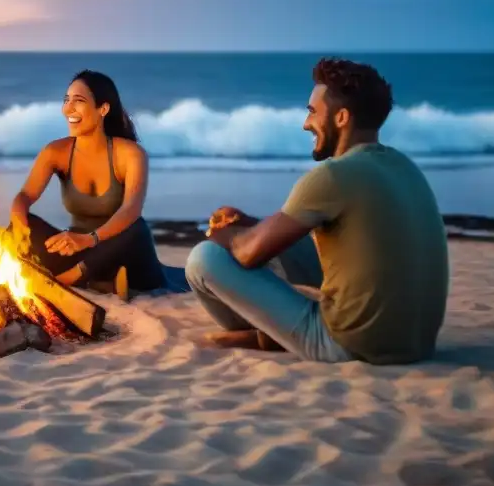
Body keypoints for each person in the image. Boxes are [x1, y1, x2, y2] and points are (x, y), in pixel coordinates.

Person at [185, 57, 449, 365]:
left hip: (350, 345)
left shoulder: (333, 175)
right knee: (289, 240)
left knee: (204, 258)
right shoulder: (404, 167)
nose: (305, 123)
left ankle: (265, 332)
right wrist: (249, 224)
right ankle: (272, 328)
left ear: (341, 118)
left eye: (312, 112)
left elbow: (246, 254)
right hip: (417, 344)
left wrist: (224, 233)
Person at [10, 69, 171, 299]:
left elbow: (131, 210)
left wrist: (88, 239)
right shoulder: (56, 152)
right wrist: (19, 219)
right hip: (76, 252)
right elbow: (25, 195)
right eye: (66, 100)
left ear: (103, 109)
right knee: (24, 226)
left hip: (124, 253)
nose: (68, 109)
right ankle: (103, 282)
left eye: (79, 101)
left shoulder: (130, 154)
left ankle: (69, 280)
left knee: (136, 228)